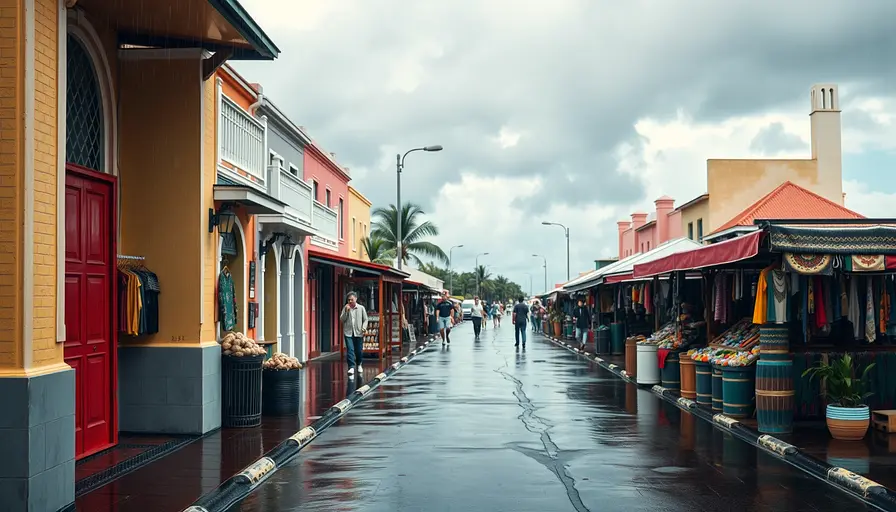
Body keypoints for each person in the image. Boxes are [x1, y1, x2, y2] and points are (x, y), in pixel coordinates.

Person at [340, 291, 369, 376]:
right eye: (348, 300)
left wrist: (363, 328)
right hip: (348, 332)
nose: (350, 301)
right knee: (350, 350)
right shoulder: (345, 308)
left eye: (351, 300)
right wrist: (346, 312)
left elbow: (365, 319)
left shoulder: (361, 308)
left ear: (355, 299)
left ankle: (359, 364)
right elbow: (342, 319)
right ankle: (351, 367)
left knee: (359, 350)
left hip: (358, 332)